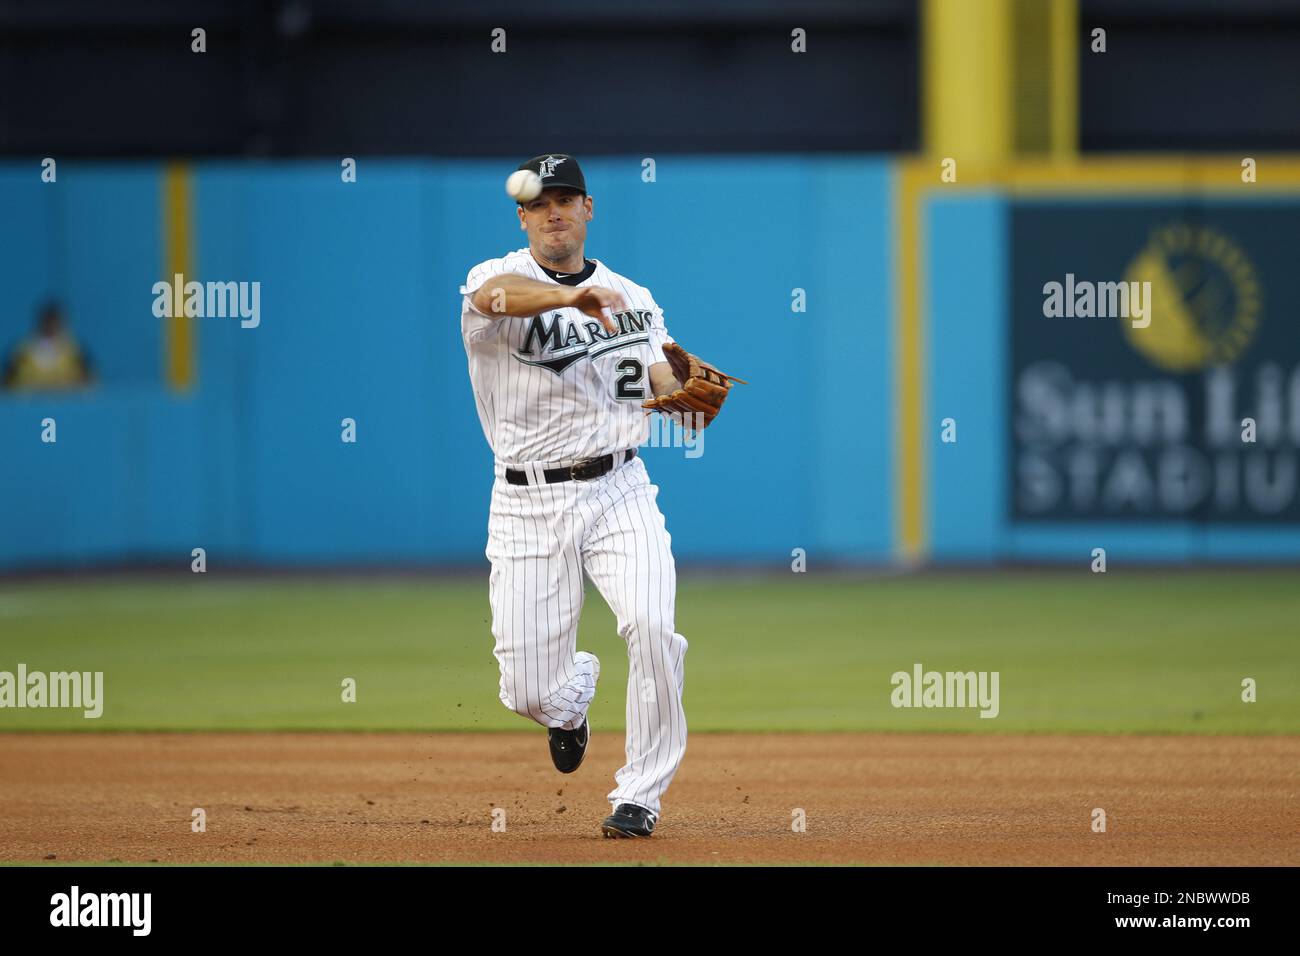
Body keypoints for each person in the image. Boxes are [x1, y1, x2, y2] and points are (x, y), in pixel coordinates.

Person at [459, 153, 692, 838]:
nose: (555, 211)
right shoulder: (494, 280)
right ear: (523, 216)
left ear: (589, 209)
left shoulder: (631, 295)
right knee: (526, 690)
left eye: (567, 198)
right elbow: (490, 304)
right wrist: (568, 298)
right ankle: (568, 706)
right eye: (540, 202)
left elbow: (655, 380)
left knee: (652, 630)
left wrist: (680, 387)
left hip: (620, 488)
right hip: (526, 501)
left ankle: (640, 796)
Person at [2, 302, 94, 391]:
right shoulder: (22, 350)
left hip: (66, 404)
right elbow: (6, 381)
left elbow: (89, 381)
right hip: (28, 404)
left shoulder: (75, 349)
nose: (51, 326)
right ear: (40, 322)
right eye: (47, 322)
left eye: (54, 322)